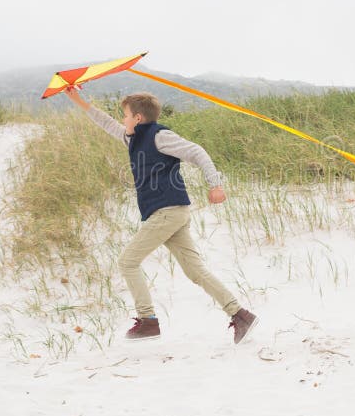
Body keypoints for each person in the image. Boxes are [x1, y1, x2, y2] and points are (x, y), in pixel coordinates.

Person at [65, 86, 258, 342]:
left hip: (166, 212)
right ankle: (240, 314)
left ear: (138, 118)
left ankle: (148, 321)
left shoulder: (159, 136)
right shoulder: (132, 138)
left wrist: (216, 185)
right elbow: (107, 123)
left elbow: (197, 151)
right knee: (195, 271)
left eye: (125, 115)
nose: (122, 120)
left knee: (127, 262)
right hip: (172, 213)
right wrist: (78, 100)